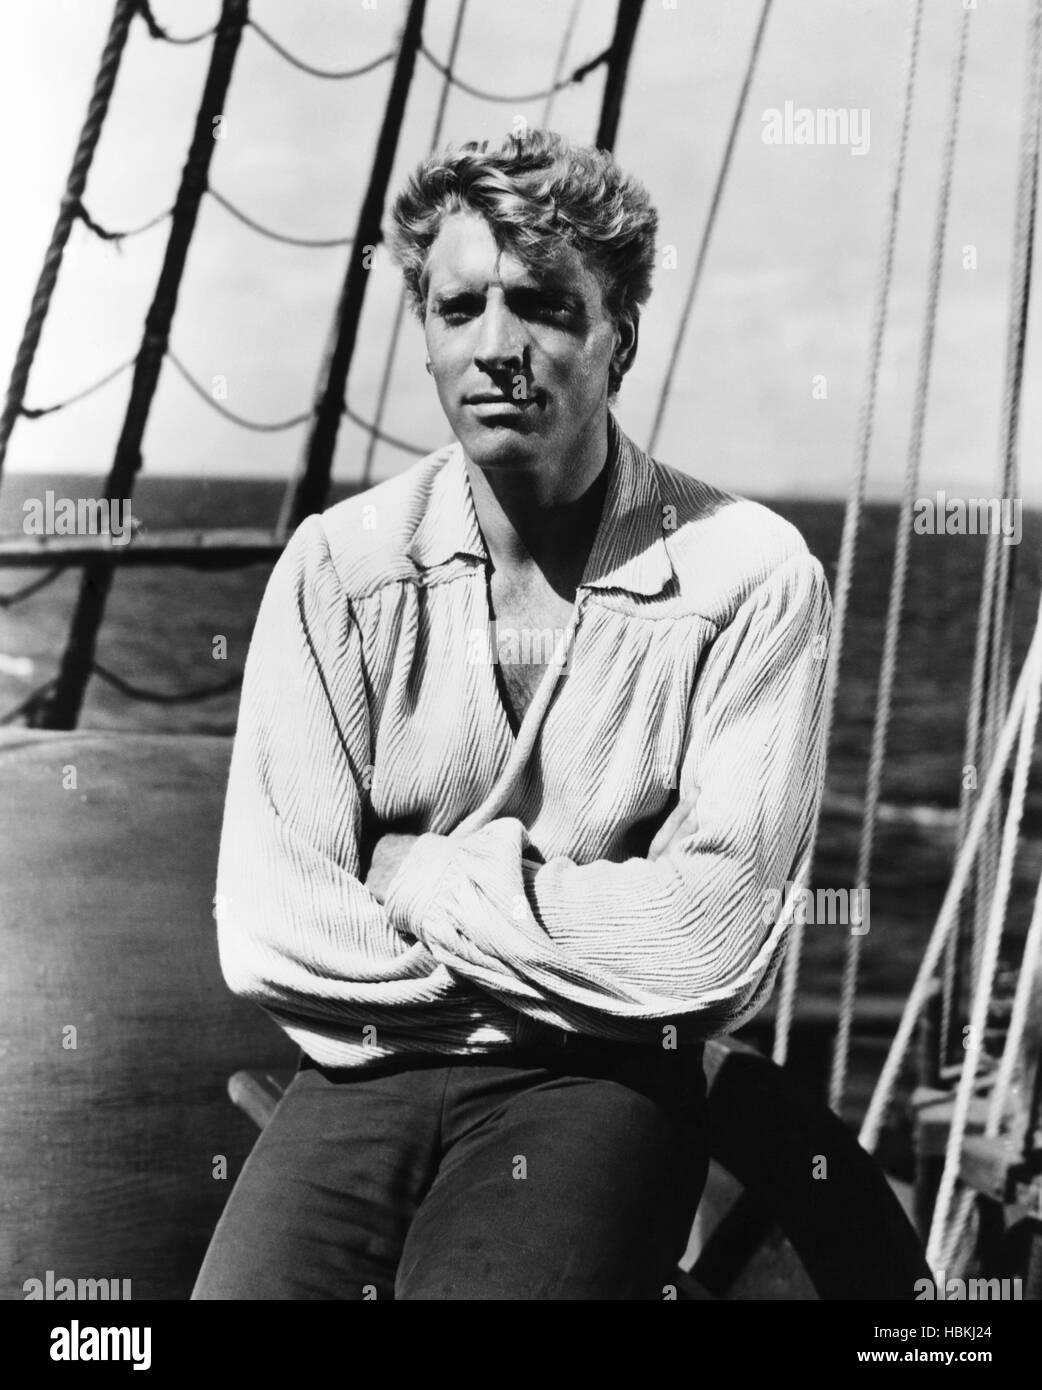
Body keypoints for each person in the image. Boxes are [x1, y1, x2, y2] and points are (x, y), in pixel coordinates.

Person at [192, 129, 832, 1301]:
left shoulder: (752, 578)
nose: (498, 348)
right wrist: (578, 950)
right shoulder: (338, 568)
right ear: (425, 336)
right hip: (374, 1069)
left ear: (618, 336)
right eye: (458, 307)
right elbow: (273, 927)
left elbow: (710, 943)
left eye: (543, 305)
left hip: (597, 1089)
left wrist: (416, 873)